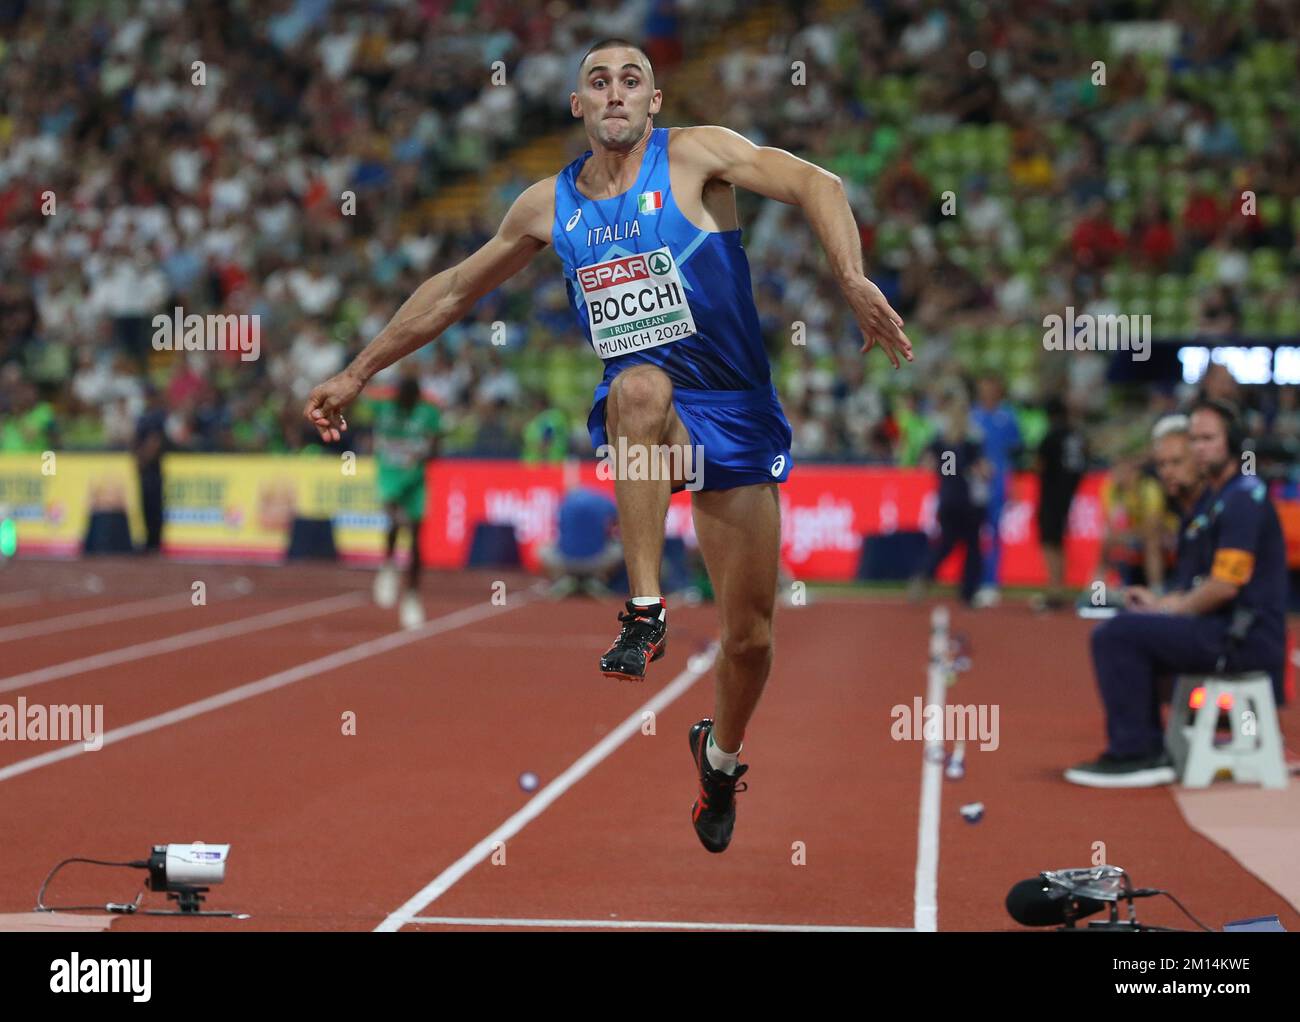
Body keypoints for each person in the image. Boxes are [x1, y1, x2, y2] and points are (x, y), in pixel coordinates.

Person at [303, 39, 912, 853]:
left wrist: (851, 277)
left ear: (654, 103)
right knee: (637, 386)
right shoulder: (545, 207)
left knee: (752, 637)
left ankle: (721, 760)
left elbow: (816, 182)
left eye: (633, 81)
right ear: (578, 107)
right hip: (654, 415)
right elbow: (452, 291)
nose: (617, 92)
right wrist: (357, 370)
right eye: (599, 81)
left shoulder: (697, 156)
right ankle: (646, 610)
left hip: (736, 412)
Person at [1064, 399, 1288, 787]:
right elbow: (1198, 585)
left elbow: (1224, 586)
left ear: (1232, 442)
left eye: (1208, 438)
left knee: (1117, 636)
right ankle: (1151, 747)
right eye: (1195, 439)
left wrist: (1172, 609)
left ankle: (1138, 753)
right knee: (1131, 624)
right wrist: (1161, 602)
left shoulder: (1242, 498)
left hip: (1244, 638)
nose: (1199, 447)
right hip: (1222, 628)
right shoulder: (1210, 503)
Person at [371, 375, 441, 630]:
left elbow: (435, 447)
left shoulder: (428, 413)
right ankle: (388, 565)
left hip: (415, 480)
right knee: (393, 522)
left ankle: (412, 596)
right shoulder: (384, 408)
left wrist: (421, 454)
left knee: (415, 537)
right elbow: (363, 398)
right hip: (389, 476)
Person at [909, 395, 991, 606]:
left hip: (947, 498)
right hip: (966, 500)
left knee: (945, 544)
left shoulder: (940, 442)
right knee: (972, 547)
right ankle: (967, 592)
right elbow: (984, 471)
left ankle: (924, 576)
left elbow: (925, 463)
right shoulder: (969, 443)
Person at [969, 374, 1022, 607]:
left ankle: (991, 582)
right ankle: (971, 579)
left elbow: (1018, 452)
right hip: (973, 482)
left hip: (999, 481)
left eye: (991, 387)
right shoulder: (972, 416)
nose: (987, 392)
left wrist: (1015, 483)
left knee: (994, 533)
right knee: (972, 533)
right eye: (983, 388)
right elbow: (957, 451)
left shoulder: (1008, 417)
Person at [1032, 396, 1087, 611]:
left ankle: (1054, 589)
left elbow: (1040, 464)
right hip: (1068, 495)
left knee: (1049, 541)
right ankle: (1059, 588)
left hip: (1052, 494)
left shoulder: (1052, 435)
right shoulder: (1075, 435)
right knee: (1058, 540)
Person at [537, 486, 622, 597]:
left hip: (565, 562)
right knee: (621, 549)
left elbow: (560, 535)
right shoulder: (603, 502)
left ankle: (563, 579)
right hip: (597, 562)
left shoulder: (564, 505)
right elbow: (618, 519)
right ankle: (597, 579)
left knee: (542, 549)